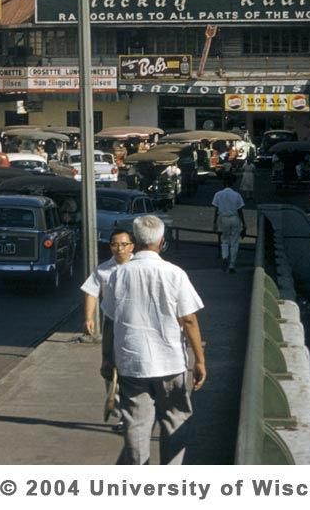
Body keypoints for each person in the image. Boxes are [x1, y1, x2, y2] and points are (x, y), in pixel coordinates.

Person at [107, 215, 206, 465]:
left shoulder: (118, 275)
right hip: (170, 362)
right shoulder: (175, 274)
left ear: (135, 241)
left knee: (136, 425)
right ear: (162, 241)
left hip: (132, 363)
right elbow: (189, 320)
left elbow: (110, 321)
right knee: (175, 422)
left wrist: (108, 360)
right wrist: (200, 362)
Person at [80, 228, 135, 430]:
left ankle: (135, 413)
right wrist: (89, 318)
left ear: (132, 246)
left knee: (131, 369)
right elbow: (91, 292)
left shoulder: (140, 267)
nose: (119, 249)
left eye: (123, 244)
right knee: (109, 368)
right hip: (112, 323)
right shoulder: (103, 269)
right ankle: (120, 412)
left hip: (135, 325)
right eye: (114, 244)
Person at [211, 177, 246, 273]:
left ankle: (225, 256)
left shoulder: (218, 194)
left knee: (225, 240)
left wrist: (214, 222)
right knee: (234, 242)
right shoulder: (237, 195)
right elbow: (240, 210)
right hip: (235, 218)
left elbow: (216, 210)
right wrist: (244, 224)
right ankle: (232, 265)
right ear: (232, 184)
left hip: (223, 218)